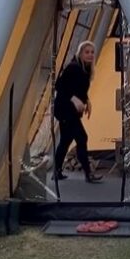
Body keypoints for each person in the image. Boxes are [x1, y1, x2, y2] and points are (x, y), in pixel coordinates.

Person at [53, 40, 102, 183]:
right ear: (80, 53)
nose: (90, 55)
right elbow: (59, 86)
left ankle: (56, 172)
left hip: (70, 111)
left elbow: (77, 88)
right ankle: (88, 174)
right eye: (87, 52)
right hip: (65, 110)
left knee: (65, 140)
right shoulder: (73, 67)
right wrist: (73, 98)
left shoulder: (84, 69)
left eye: (92, 52)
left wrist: (86, 100)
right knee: (82, 138)